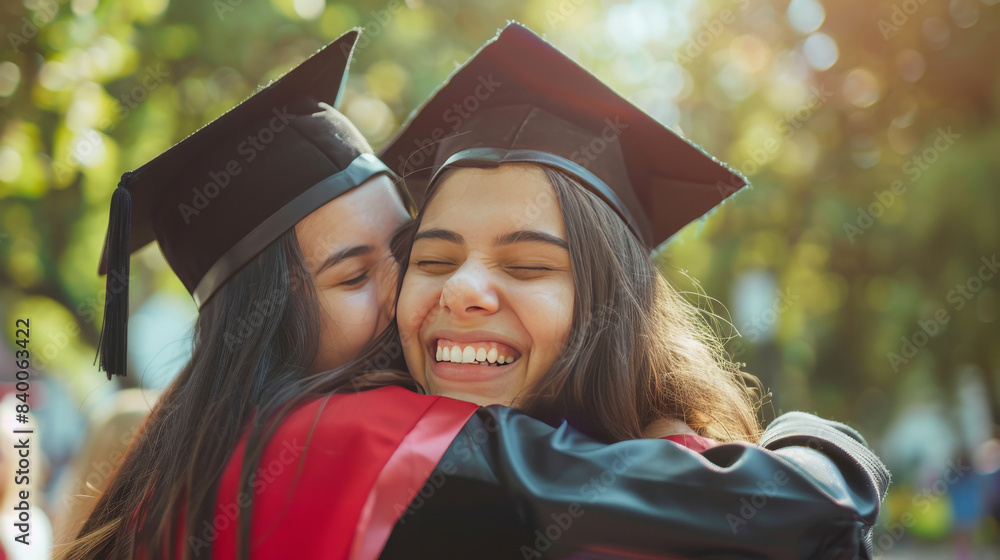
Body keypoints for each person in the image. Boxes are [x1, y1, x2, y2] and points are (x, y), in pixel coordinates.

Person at [65, 27, 887, 560]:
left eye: (405, 250)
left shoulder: (184, 469)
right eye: (354, 276)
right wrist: (818, 444)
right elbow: (800, 513)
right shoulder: (349, 442)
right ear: (264, 323)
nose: (423, 296)